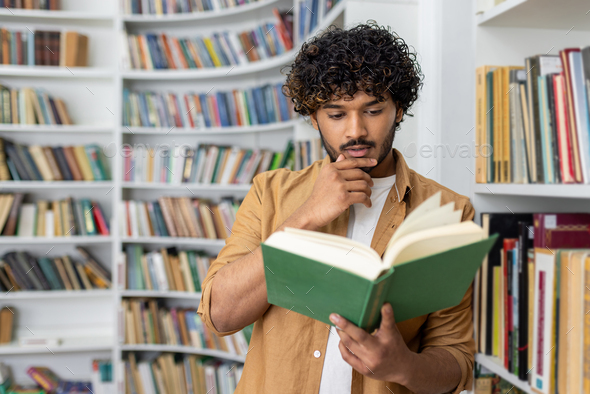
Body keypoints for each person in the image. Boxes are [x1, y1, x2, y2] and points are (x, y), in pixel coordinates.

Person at [197, 21, 476, 394]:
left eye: (373, 109)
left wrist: (403, 366)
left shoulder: (450, 212)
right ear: (313, 117)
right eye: (336, 114)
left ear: (399, 110)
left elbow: (456, 362)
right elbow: (220, 315)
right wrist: (306, 216)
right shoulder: (271, 192)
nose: (355, 131)